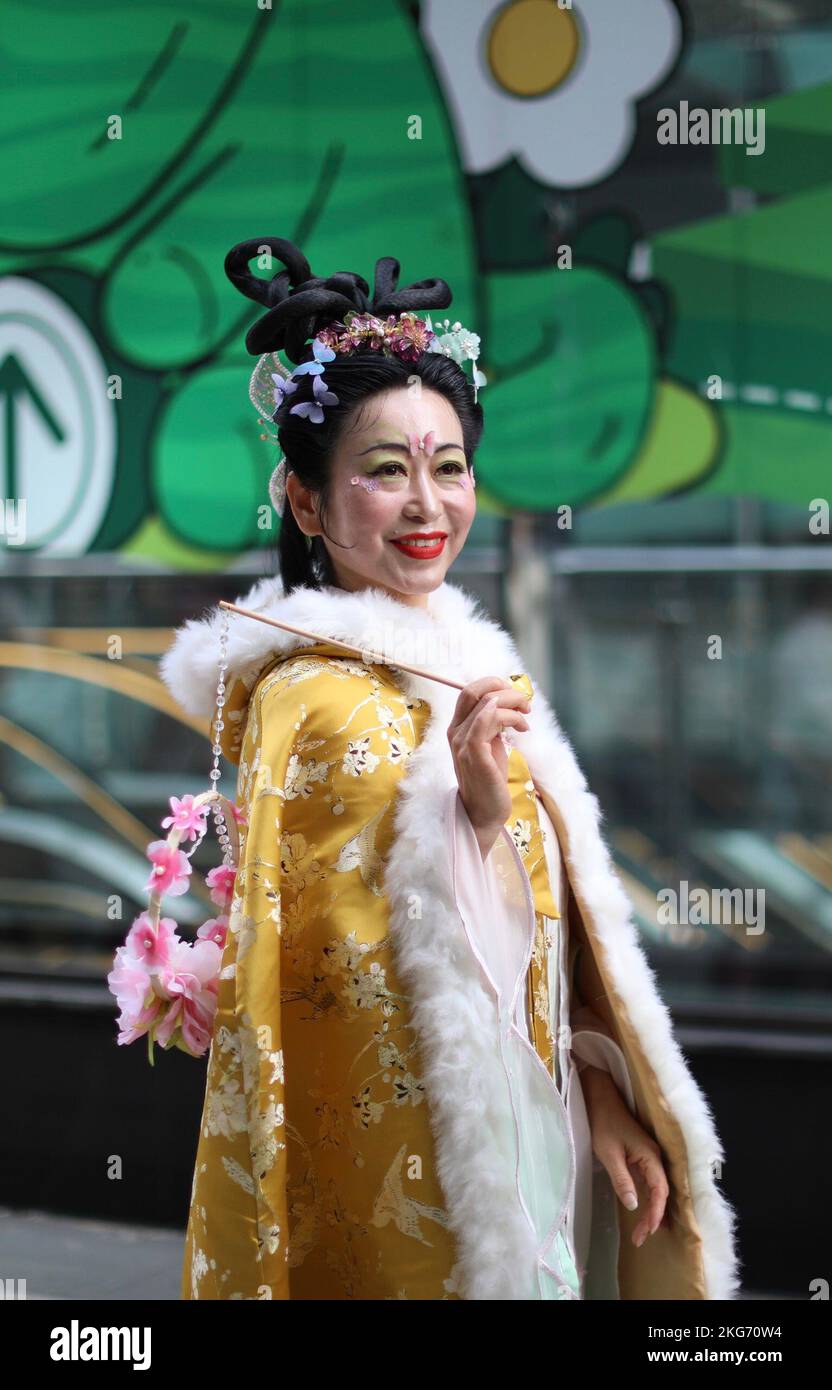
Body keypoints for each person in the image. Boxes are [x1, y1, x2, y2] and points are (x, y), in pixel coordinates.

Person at [160, 236, 739, 1300]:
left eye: (449, 466)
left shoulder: (470, 663)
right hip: (420, 1178)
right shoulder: (314, 701)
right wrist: (470, 823)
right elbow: (351, 994)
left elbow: (552, 935)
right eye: (385, 471)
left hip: (541, 1131)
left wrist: (596, 1088)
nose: (428, 504)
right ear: (307, 503)